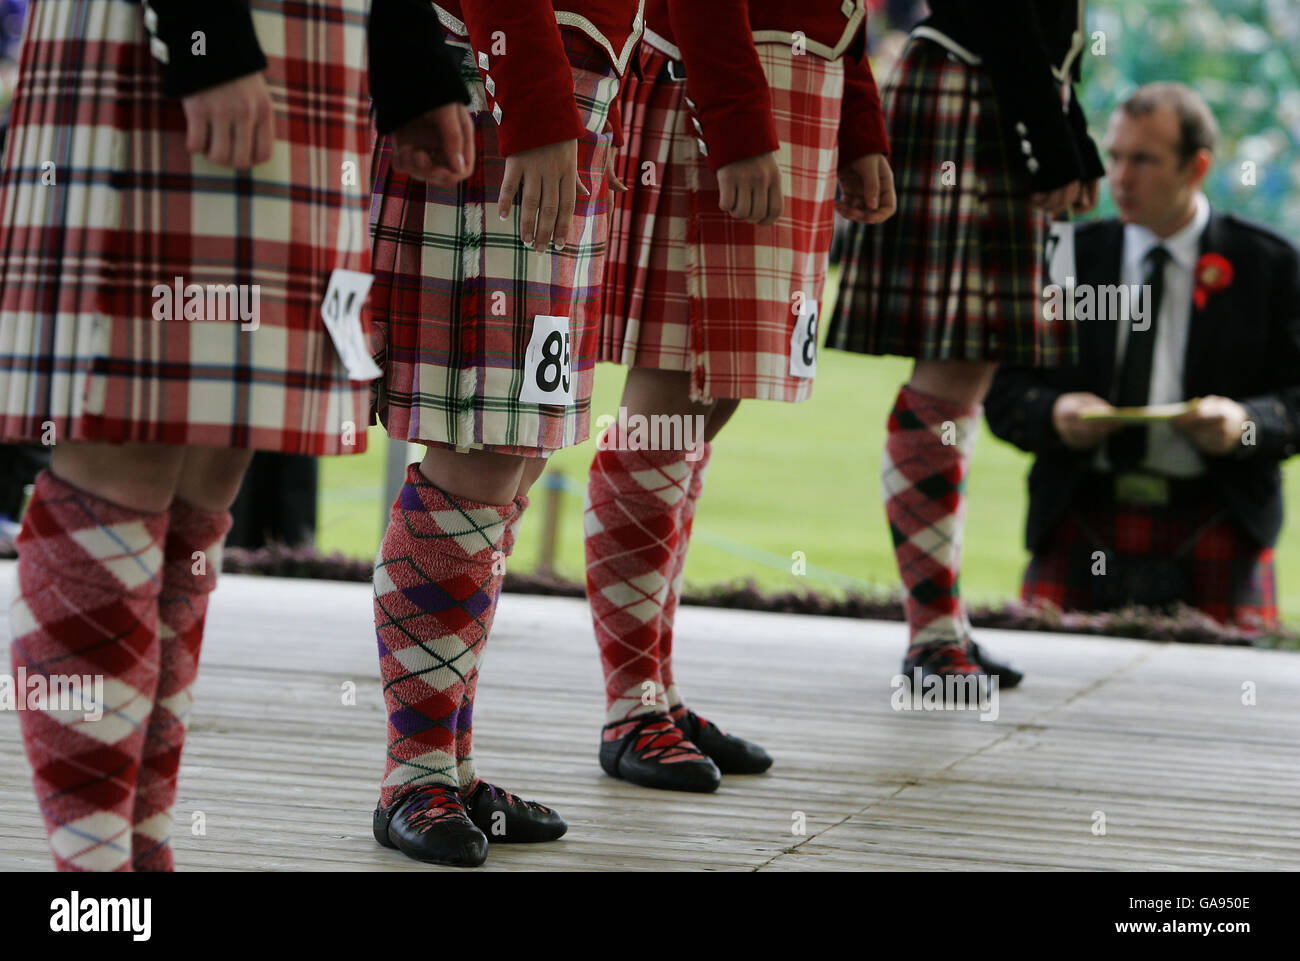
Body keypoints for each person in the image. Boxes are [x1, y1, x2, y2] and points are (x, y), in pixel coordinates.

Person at [1, 0, 472, 872]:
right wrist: (203, 27)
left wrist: (410, 64)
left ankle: (140, 854)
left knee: (215, 459)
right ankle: (94, 886)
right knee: (125, 441)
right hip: (167, 34)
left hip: (316, 38)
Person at [585, 0, 893, 794]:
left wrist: (860, 127)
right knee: (670, 402)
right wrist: (735, 123)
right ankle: (631, 706)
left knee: (708, 401)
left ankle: (658, 690)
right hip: (716, 81)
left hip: (796, 90)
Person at [366, 0, 644, 866]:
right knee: (475, 451)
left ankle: (449, 759)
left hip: (563, 90)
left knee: (512, 455)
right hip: (508, 85)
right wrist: (532, 103)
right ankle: (414, 774)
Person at [826, 0, 1105, 687]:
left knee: (967, 366)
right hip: (979, 84)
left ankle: (941, 626)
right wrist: (1049, 131)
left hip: (1004, 86)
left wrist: (1070, 127)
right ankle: (932, 637)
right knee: (954, 364)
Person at [985, 83, 1300, 630]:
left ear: (1196, 168)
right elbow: (1002, 390)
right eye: (1114, 157)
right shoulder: (1068, 258)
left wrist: (1245, 424)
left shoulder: (1268, 265)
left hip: (1219, 514)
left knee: (1220, 706)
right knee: (1054, 687)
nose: (1121, 179)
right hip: (1082, 513)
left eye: (1144, 160)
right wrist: (1053, 416)